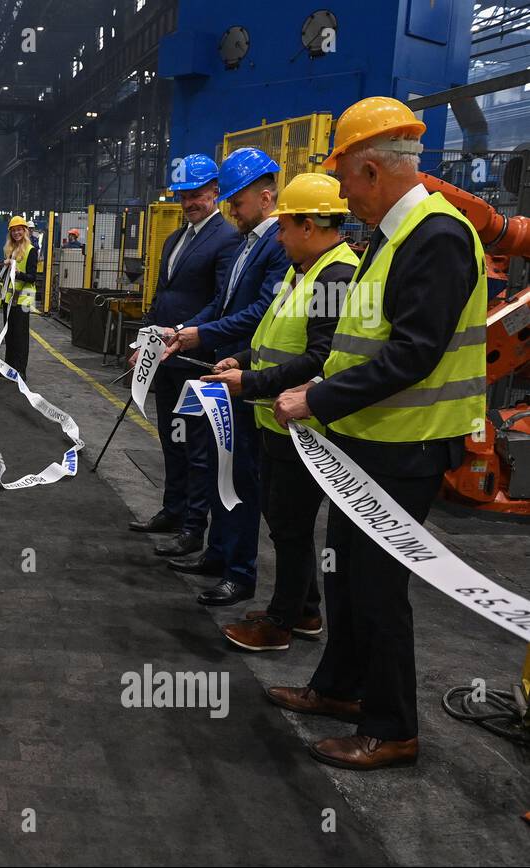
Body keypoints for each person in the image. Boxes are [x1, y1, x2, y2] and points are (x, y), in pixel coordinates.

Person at [268, 97, 486, 770]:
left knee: (379, 589)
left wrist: (317, 397)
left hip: (405, 447)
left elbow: (414, 353)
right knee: (346, 577)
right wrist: (323, 391)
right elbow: (363, 342)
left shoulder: (436, 237)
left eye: (345, 180)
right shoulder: (392, 238)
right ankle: (340, 688)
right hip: (367, 442)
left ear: (370, 169)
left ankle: (392, 727)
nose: (343, 198)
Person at [202, 173, 358, 651]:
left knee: (290, 528)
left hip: (304, 426)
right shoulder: (302, 270)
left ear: (309, 226)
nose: (278, 237)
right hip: (276, 419)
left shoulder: (335, 277)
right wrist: (242, 360)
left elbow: (321, 358)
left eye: (285, 227)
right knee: (285, 523)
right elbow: (274, 336)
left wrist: (251, 382)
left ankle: (279, 623)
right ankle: (305, 610)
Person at [162, 147, 291, 607]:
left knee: (241, 479)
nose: (231, 208)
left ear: (266, 197)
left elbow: (261, 312)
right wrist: (186, 332)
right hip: (226, 368)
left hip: (249, 375)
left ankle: (240, 572)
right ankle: (218, 553)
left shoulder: (278, 246)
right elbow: (222, 303)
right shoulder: (247, 243)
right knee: (222, 469)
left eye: (237, 200)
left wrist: (203, 335)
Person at [128, 154, 242, 561]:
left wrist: (183, 332)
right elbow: (162, 295)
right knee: (171, 439)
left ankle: (194, 527)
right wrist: (145, 340)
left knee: (198, 447)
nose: (189, 202)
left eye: (196, 194)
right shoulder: (175, 239)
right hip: (166, 358)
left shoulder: (227, 238)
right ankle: (172, 510)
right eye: (184, 195)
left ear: (215, 192)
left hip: (197, 360)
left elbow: (220, 301)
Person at [0, 215, 40, 381]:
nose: (16, 233)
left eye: (19, 230)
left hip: (23, 299)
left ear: (25, 231)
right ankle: (9, 368)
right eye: (14, 230)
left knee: (20, 336)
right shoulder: (10, 250)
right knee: (9, 335)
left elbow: (32, 277)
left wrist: (18, 273)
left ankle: (21, 370)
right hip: (9, 299)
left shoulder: (31, 250)